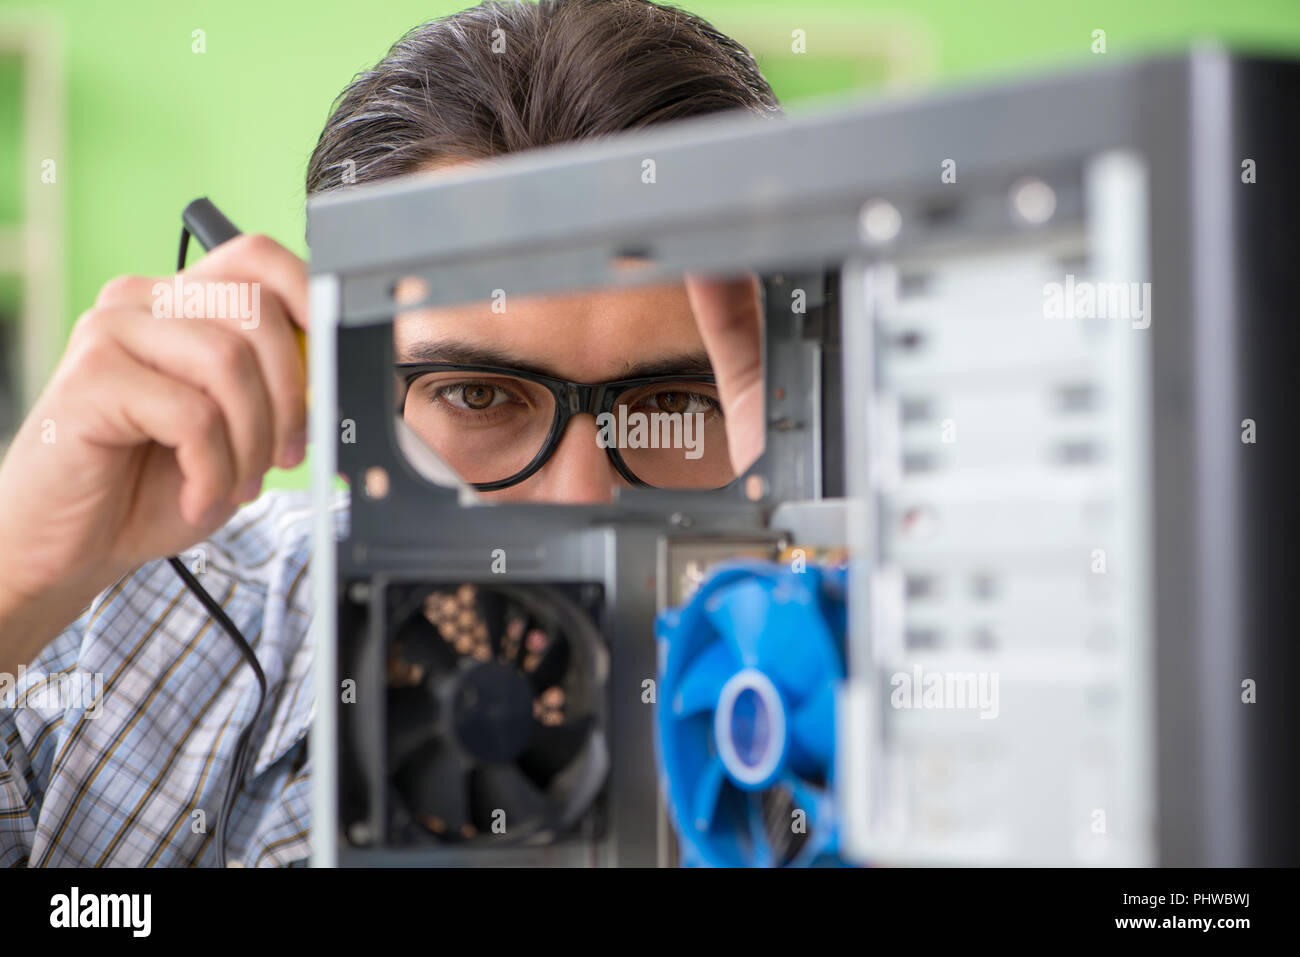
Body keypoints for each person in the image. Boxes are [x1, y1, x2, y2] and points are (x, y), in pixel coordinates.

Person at [0, 0, 776, 866]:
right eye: (479, 396)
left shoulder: (887, 672)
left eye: (672, 405)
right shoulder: (117, 632)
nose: (581, 499)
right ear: (342, 378)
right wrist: (14, 587)